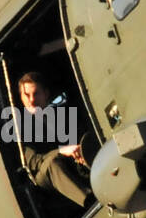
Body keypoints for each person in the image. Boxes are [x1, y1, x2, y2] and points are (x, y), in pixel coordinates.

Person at [16, 70, 93, 209]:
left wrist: (79, 150)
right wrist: (62, 151)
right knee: (53, 164)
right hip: (45, 176)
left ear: (46, 94)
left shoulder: (62, 114)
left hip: (70, 163)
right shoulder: (19, 129)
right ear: (21, 98)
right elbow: (33, 161)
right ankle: (89, 200)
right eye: (27, 95)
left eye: (36, 93)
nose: (32, 100)